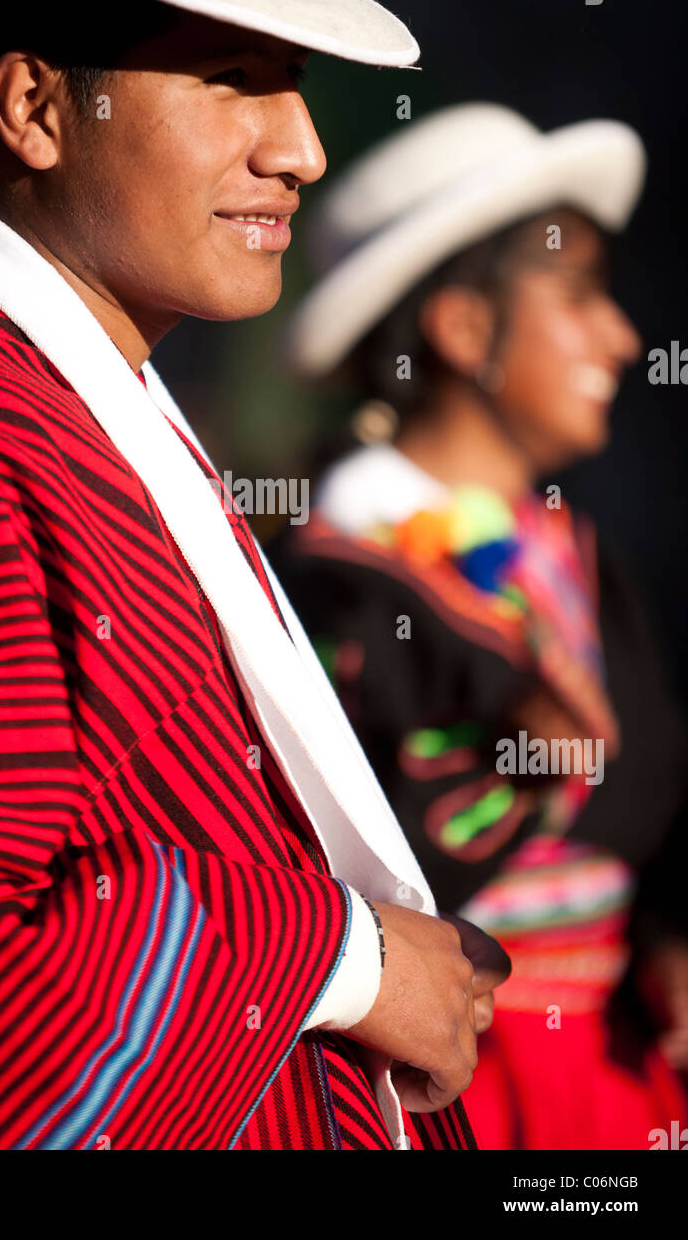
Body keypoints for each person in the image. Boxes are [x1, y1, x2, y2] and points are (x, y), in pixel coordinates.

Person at [0, 0, 507, 1151]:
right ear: (34, 105)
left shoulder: (87, 410)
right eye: (230, 75)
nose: (297, 147)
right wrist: (353, 963)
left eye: (291, 81)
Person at [274, 102, 688, 1149]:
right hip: (445, 1099)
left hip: (604, 1084)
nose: (622, 336)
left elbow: (650, 803)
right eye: (580, 296)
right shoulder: (339, 583)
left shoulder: (573, 560)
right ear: (461, 329)